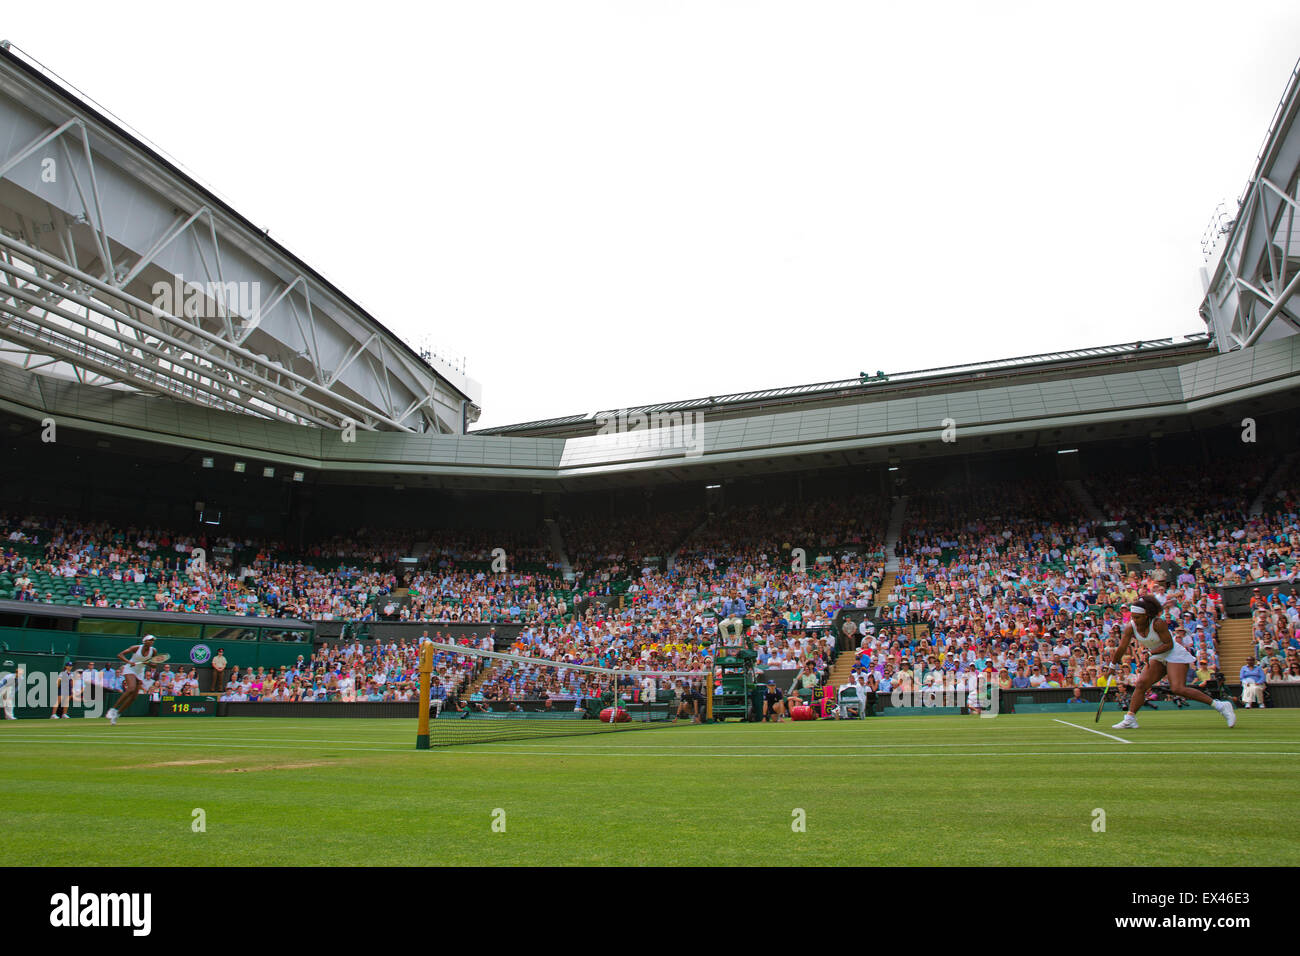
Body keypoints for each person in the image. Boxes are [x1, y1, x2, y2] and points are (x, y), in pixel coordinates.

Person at [1108, 595, 1234, 730]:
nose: (1134, 620)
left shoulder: (1157, 623)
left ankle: (1221, 706)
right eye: (1133, 616)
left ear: (1146, 616)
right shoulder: (1130, 627)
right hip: (1157, 655)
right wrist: (1112, 665)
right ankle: (1130, 719)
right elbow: (1121, 647)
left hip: (1174, 654)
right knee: (1141, 684)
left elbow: (1169, 644)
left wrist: (1150, 653)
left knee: (1177, 689)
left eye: (1137, 617)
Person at [107, 634, 159, 726]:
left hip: (140, 672)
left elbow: (155, 665)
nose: (152, 642)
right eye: (150, 640)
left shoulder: (153, 651)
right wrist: (129, 662)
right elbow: (120, 655)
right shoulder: (136, 648)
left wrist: (148, 663)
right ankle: (112, 709)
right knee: (131, 688)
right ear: (144, 641)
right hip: (130, 669)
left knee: (134, 697)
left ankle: (117, 714)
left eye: (153, 640)